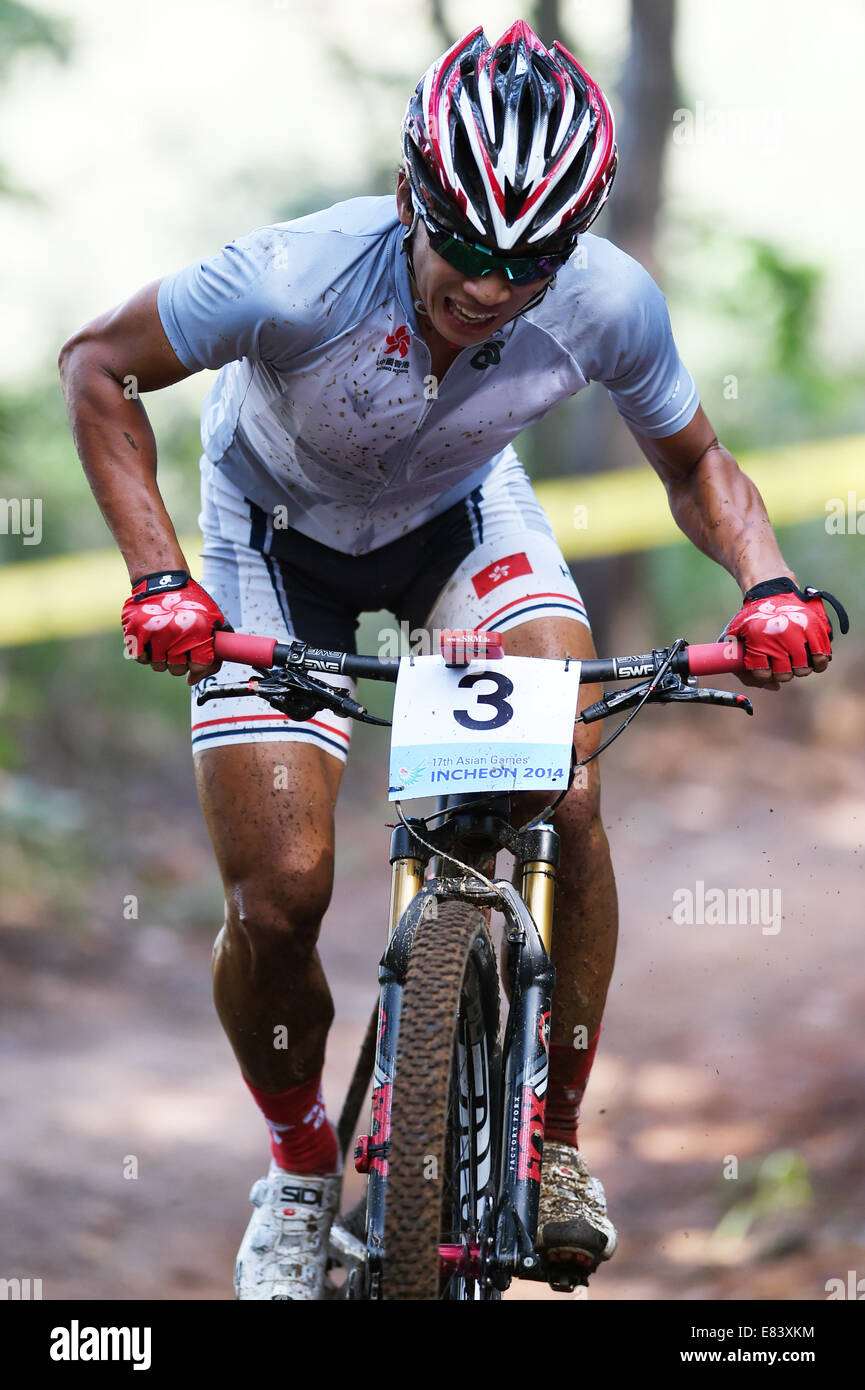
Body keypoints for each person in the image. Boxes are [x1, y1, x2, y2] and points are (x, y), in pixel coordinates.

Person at [59, 20, 842, 1300]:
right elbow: (98, 367)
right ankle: (300, 1171)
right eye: (465, 248)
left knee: (570, 785)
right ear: (415, 194)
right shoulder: (294, 274)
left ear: (570, 247)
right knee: (282, 895)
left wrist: (763, 584)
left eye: (525, 264)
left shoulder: (608, 303)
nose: (486, 287)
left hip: (462, 523)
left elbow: (696, 463)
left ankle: (557, 1141)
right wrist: (159, 577)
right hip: (271, 540)